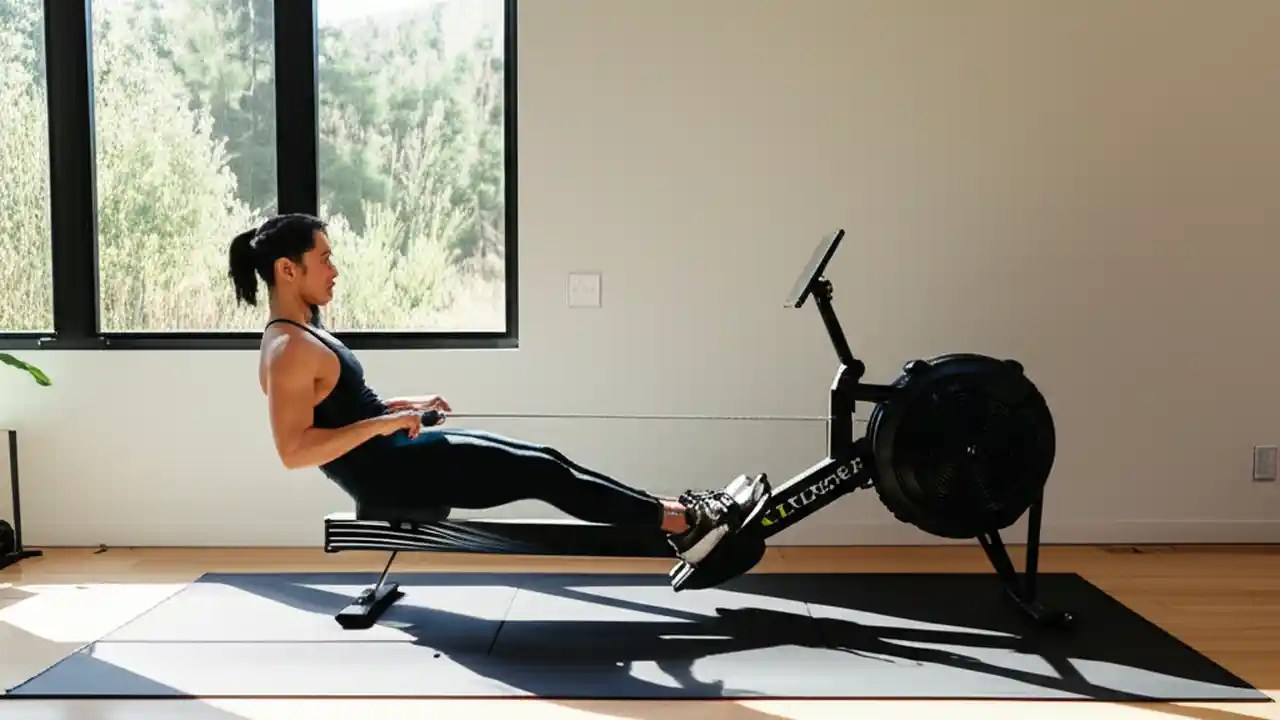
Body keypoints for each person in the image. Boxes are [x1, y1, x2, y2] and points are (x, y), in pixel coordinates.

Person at [227, 213, 762, 566]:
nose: (334, 269)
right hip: (397, 478)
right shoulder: (288, 348)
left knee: (547, 461)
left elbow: (341, 413)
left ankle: (676, 510)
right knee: (545, 474)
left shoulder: (306, 333)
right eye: (324, 258)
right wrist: (387, 423)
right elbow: (295, 450)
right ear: (287, 269)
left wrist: (402, 406)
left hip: (402, 455)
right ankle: (686, 526)